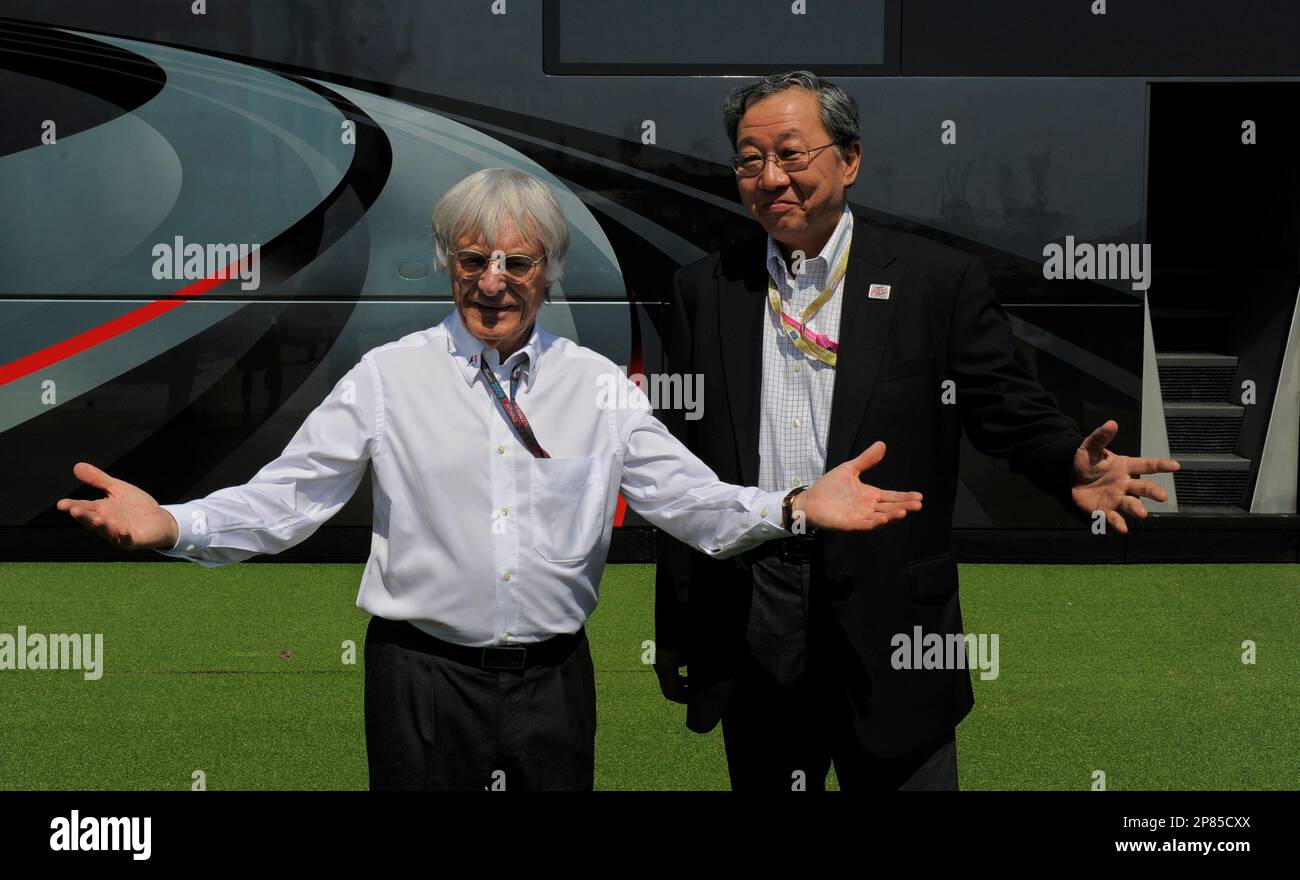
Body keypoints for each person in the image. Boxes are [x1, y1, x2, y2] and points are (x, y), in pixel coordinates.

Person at [56, 167, 924, 791]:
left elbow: (690, 503)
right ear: (448, 264)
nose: (494, 282)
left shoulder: (593, 387)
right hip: (419, 684)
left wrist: (795, 505)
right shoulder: (389, 376)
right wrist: (174, 525)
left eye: (517, 262)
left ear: (548, 268)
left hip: (554, 684)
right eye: (474, 261)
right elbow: (287, 500)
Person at [652, 71, 1179, 791]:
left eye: (791, 153)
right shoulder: (705, 291)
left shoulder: (937, 281)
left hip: (892, 608)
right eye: (749, 159)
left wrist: (1066, 464)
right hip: (757, 596)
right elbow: (683, 459)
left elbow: (1003, 406)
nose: (770, 177)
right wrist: (682, 626)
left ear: (851, 159)